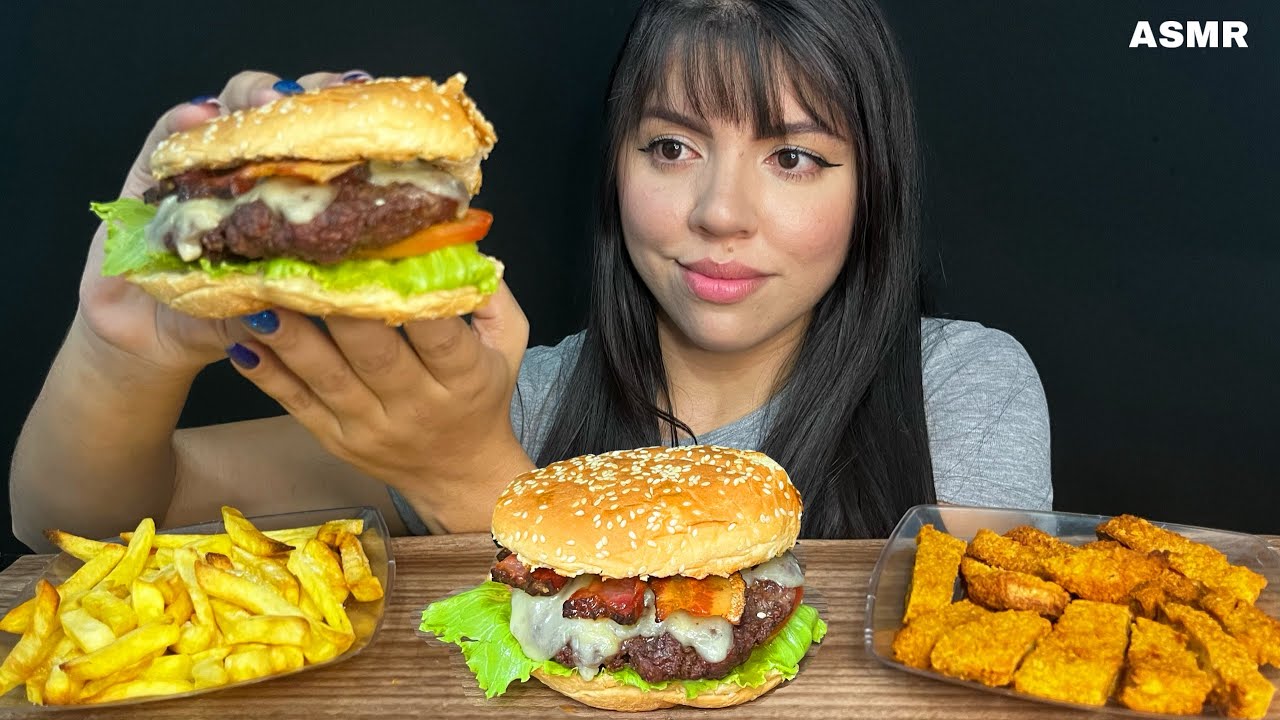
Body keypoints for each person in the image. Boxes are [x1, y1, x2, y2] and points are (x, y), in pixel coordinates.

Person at [9, 0, 1050, 552]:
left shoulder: (956, 385)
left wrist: (467, 477)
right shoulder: (514, 389)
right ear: (615, 169)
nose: (718, 213)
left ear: (874, 187)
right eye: (671, 148)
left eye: (793, 158)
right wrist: (118, 353)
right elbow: (83, 521)